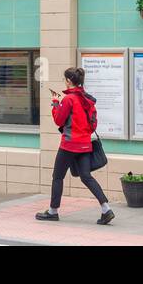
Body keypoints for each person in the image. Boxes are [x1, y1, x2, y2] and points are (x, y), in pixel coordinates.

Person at [36, 67, 113, 225]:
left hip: (69, 145)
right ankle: (106, 209)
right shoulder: (87, 100)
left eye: (65, 79)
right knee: (86, 177)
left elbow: (58, 120)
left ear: (69, 81)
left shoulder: (69, 99)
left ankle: (53, 211)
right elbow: (92, 125)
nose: (64, 81)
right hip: (85, 144)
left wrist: (56, 103)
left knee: (58, 177)